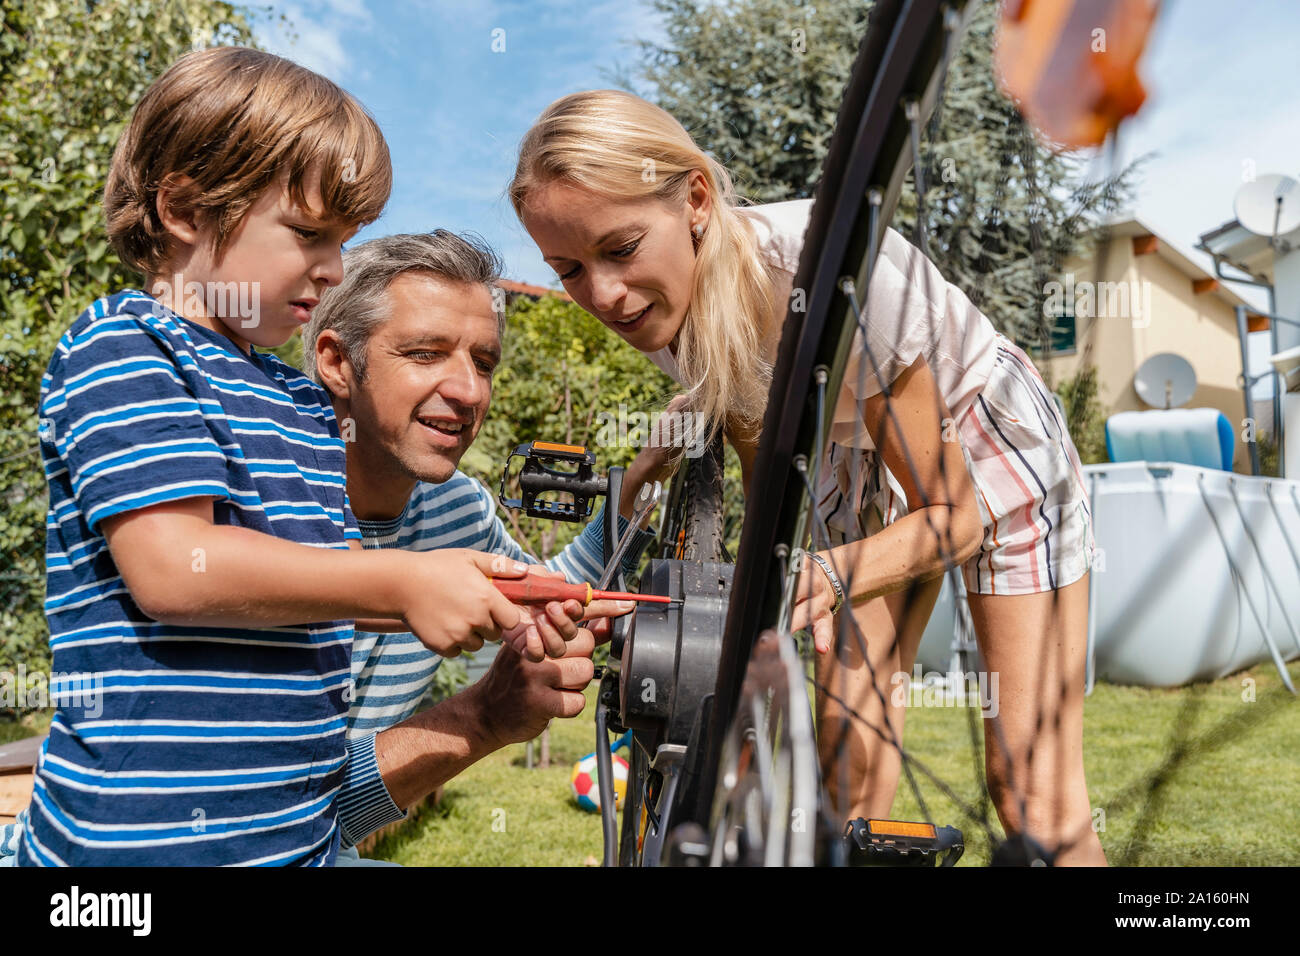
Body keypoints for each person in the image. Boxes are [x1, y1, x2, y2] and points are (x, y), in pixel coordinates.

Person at [15, 48, 585, 867]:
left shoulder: (294, 403)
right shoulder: (128, 347)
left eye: (344, 240)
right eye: (310, 234)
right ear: (183, 209)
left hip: (296, 843)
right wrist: (405, 583)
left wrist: (502, 597)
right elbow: (177, 570)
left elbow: (314, 584)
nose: (334, 267)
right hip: (138, 853)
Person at [508, 89, 1106, 865]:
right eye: (569, 270)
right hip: (844, 452)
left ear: (694, 198)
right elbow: (769, 492)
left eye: (620, 249)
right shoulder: (666, 313)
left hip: (983, 436)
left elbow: (953, 516)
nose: (603, 296)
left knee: (1030, 787)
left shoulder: (834, 274)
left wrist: (825, 572)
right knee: (846, 763)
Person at [300, 230, 663, 862]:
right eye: (424, 352)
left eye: (484, 363)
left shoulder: (455, 506)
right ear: (337, 362)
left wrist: (632, 494)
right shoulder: (259, 504)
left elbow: (543, 588)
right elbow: (276, 813)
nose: (470, 392)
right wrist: (484, 716)